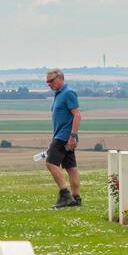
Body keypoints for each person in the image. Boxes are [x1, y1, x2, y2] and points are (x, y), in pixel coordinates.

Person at [44, 68, 82, 208]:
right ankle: (76, 198)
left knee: (50, 163)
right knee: (71, 167)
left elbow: (77, 115)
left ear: (60, 78)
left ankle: (65, 194)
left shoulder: (68, 93)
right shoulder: (58, 94)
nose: (49, 84)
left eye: (51, 81)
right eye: (47, 82)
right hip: (61, 135)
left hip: (64, 136)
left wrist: (73, 136)